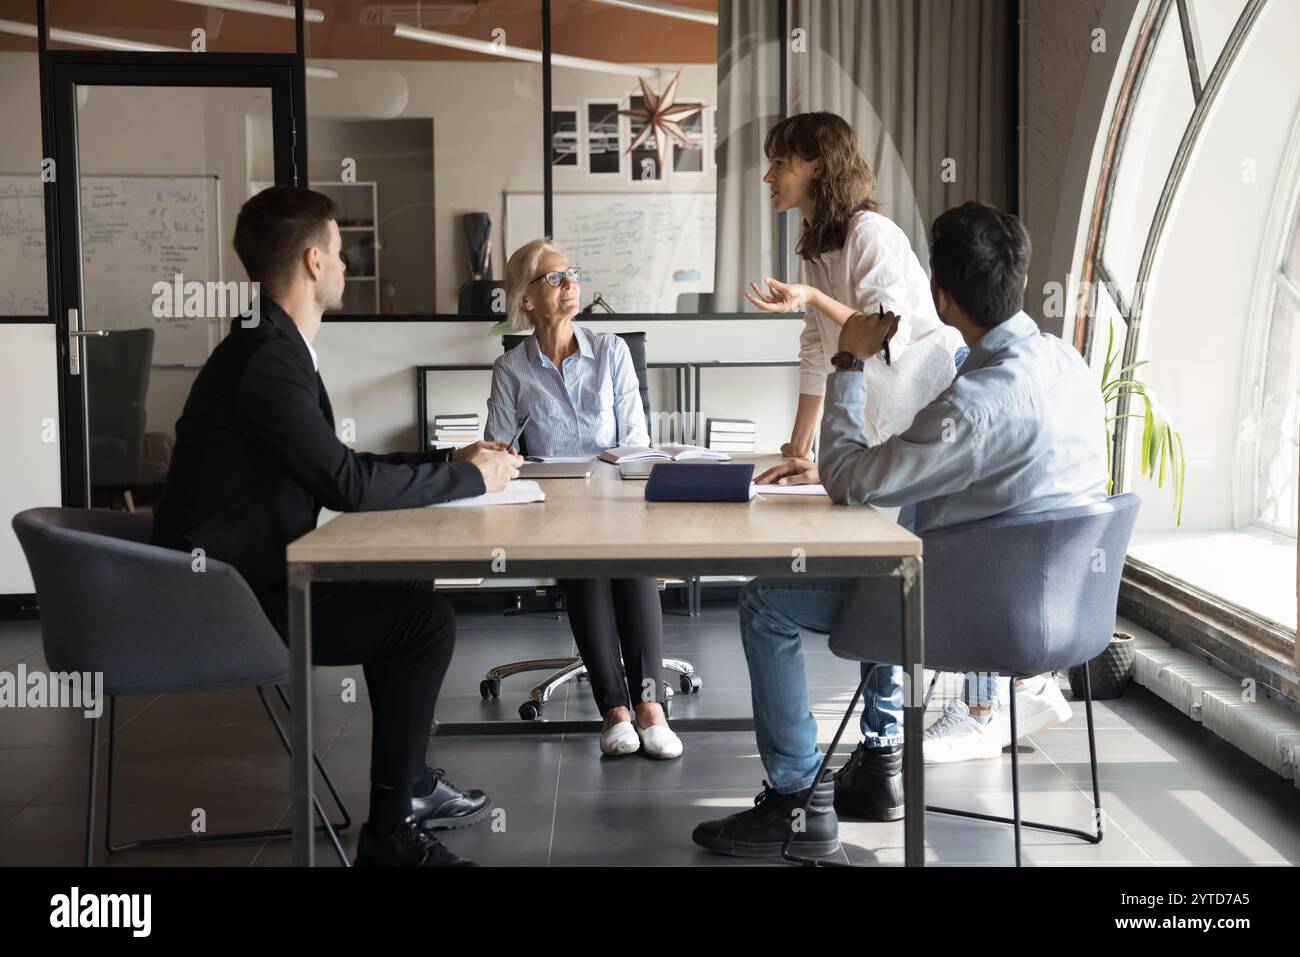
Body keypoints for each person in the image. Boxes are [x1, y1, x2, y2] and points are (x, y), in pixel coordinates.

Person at [692, 202, 1108, 859]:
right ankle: (882, 758)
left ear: (941, 298)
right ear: (1019, 279)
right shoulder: (1068, 363)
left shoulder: (976, 404)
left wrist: (850, 366)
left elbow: (851, 478)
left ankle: (798, 798)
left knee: (766, 600)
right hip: (1070, 609)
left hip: (981, 612)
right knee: (907, 532)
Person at [151, 186, 523, 867]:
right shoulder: (268, 362)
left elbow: (338, 467)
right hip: (224, 602)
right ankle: (389, 835)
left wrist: (453, 459)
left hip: (244, 576)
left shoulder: (267, 347)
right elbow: (346, 485)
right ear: (314, 261)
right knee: (426, 621)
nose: (350, 264)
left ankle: (407, 785)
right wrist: (472, 480)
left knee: (405, 582)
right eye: (343, 252)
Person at [484, 239, 682, 760]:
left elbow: (636, 441)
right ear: (525, 299)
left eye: (572, 274)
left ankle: (650, 707)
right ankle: (614, 710)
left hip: (619, 499)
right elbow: (498, 456)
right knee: (586, 564)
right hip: (557, 509)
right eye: (554, 278)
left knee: (631, 559)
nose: (570, 283)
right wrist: (507, 456)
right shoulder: (511, 372)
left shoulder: (612, 351)